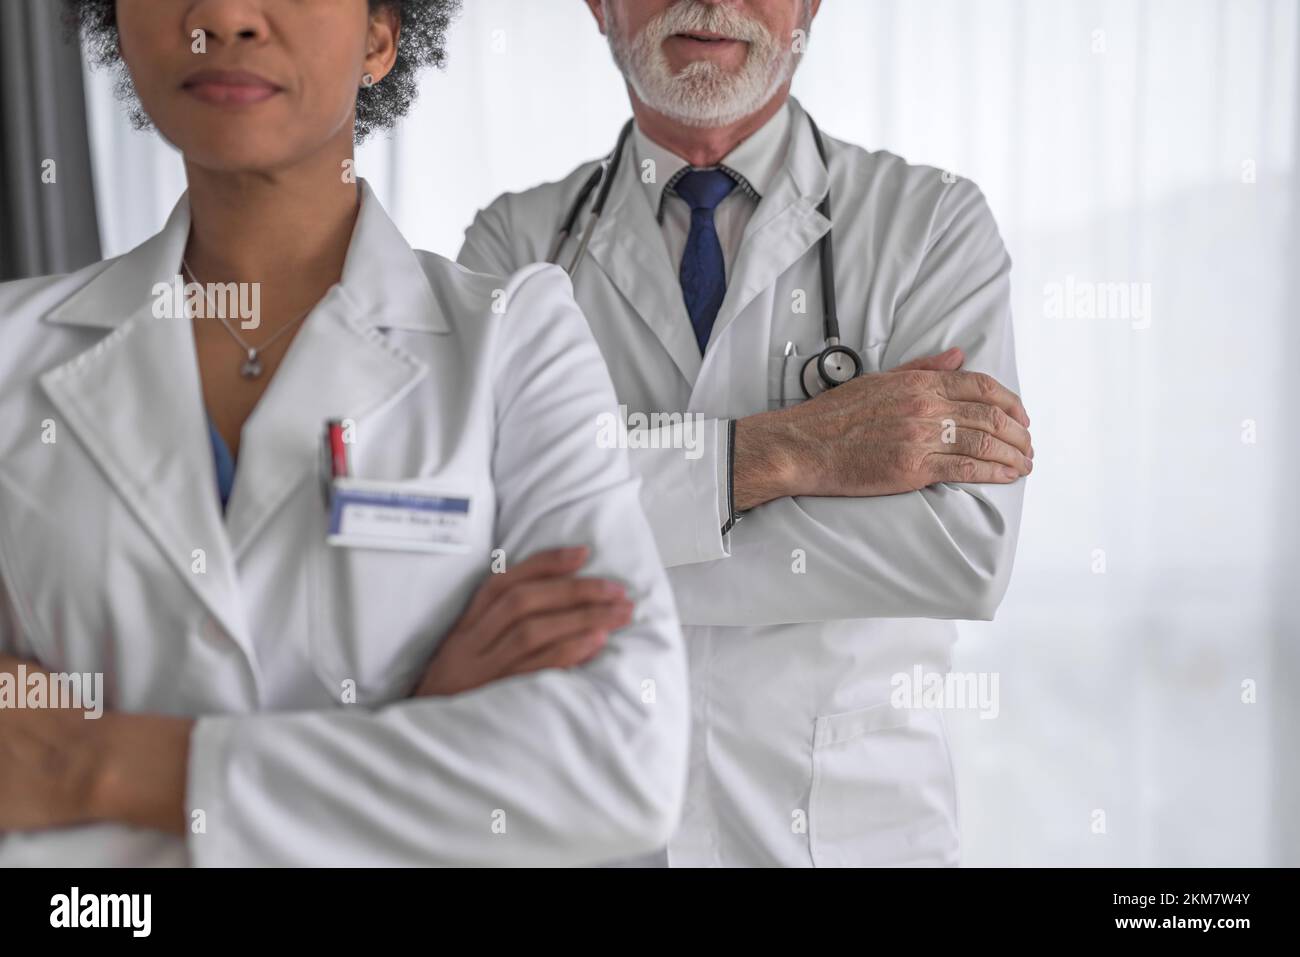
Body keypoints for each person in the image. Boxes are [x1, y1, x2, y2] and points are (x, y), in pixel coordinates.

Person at [0, 0, 687, 866]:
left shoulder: (515, 337)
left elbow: (618, 760)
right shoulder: (10, 353)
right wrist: (417, 729)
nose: (224, 14)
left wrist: (92, 764)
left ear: (379, 33)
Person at [458, 0, 1033, 866]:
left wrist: (606, 516)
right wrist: (790, 452)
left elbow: (961, 551)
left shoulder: (930, 227)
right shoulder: (518, 242)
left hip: (849, 836)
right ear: (599, 7)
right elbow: (483, 530)